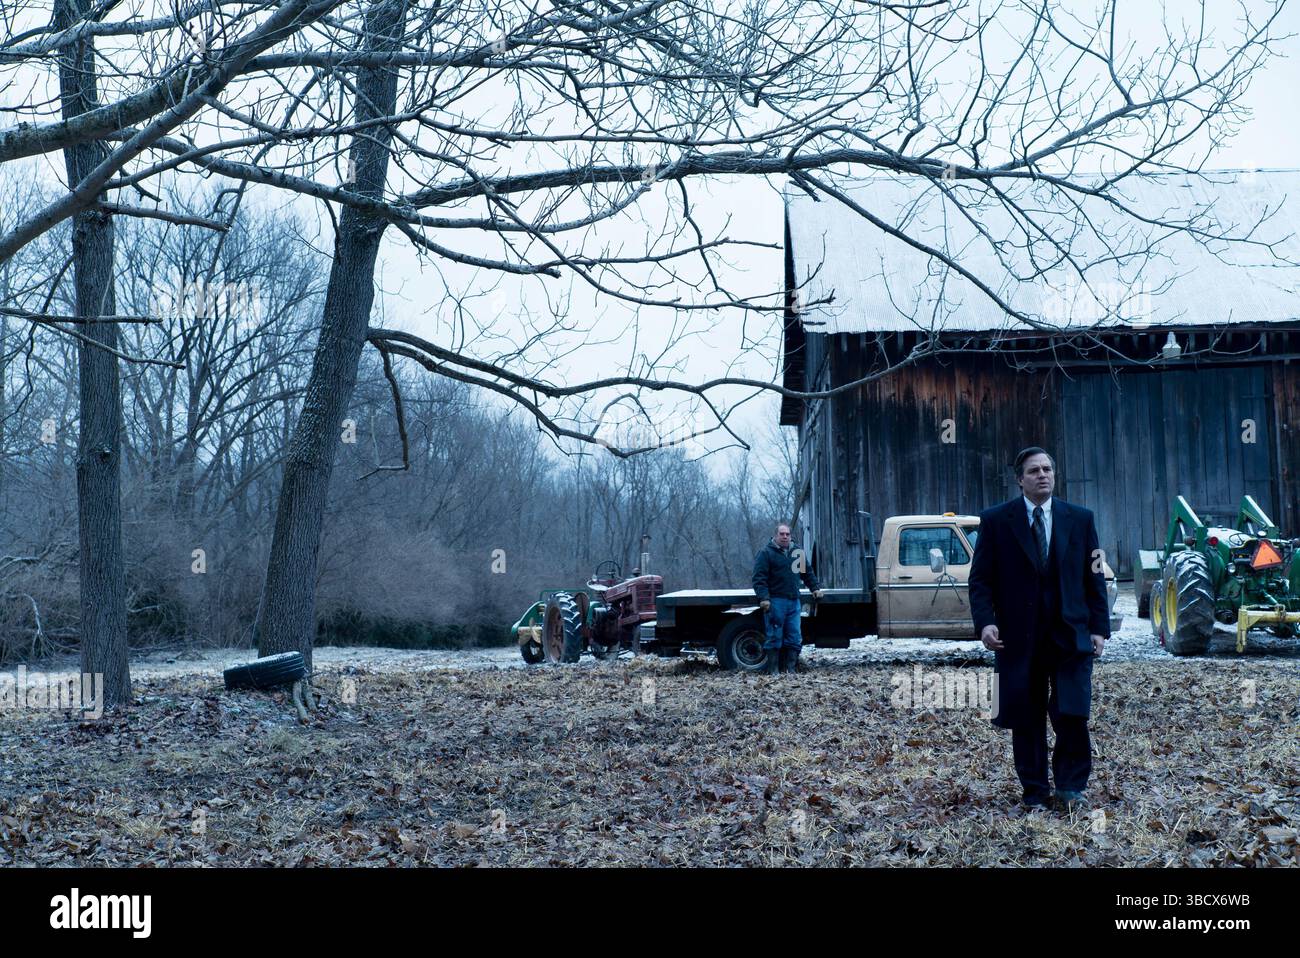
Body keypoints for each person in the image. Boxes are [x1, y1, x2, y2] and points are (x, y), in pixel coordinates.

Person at [968, 447, 1109, 811]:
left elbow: (1094, 576)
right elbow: (980, 579)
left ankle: (1070, 788)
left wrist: (1099, 628)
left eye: (1047, 469)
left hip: (1070, 636)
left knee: (1072, 713)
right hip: (1018, 639)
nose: (1042, 475)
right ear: (1020, 479)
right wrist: (985, 622)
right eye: (1034, 471)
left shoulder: (1080, 519)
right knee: (1026, 716)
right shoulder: (997, 521)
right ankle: (1034, 792)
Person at [751, 523, 824, 675]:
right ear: (775, 536)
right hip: (775, 601)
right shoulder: (766, 553)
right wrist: (764, 598)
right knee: (774, 636)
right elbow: (759, 578)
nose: (785, 537)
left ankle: (790, 669)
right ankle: (774, 670)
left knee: (794, 636)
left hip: (793, 601)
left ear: (790, 536)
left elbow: (807, 573)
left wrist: (815, 588)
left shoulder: (796, 552)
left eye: (787, 534)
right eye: (782, 534)